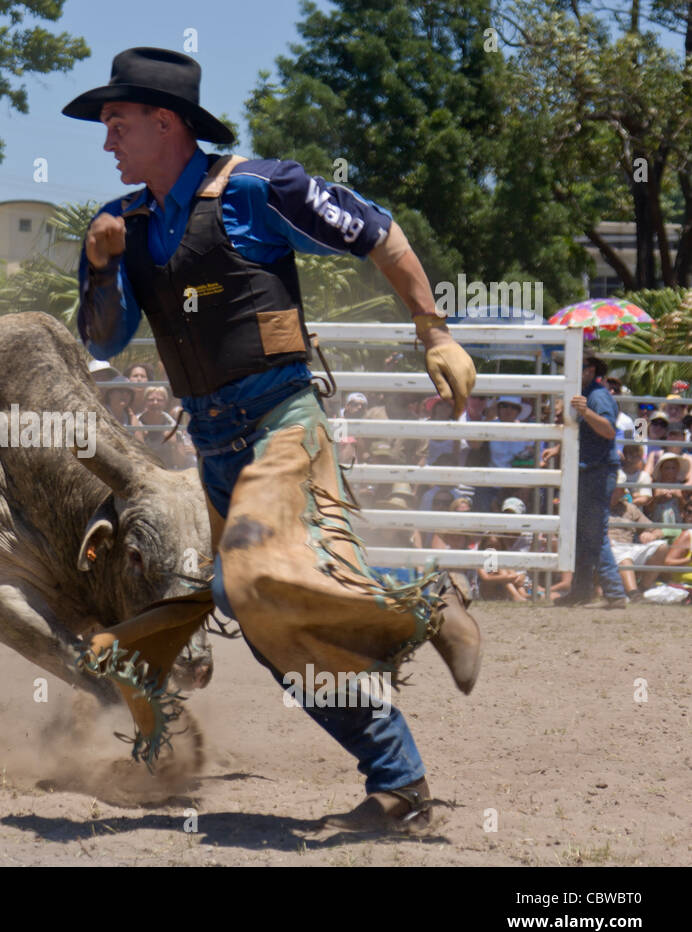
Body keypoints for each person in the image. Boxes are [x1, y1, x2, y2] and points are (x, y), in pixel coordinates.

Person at [67, 47, 480, 832]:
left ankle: (428, 600)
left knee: (255, 582)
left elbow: (378, 232)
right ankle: (399, 786)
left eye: (117, 123)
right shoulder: (125, 223)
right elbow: (107, 338)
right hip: (217, 445)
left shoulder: (259, 188)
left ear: (166, 122)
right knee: (261, 618)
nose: (106, 141)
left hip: (279, 423)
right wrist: (96, 269)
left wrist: (434, 330)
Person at [555, 352, 626, 608]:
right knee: (583, 532)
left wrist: (584, 412)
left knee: (594, 532)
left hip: (597, 470)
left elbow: (608, 430)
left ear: (589, 369)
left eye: (578, 365)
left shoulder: (597, 396)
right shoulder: (589, 394)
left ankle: (615, 592)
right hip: (590, 469)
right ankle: (583, 590)